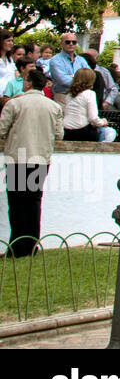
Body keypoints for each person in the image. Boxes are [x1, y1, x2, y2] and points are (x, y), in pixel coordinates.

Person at [0, 68, 62, 257]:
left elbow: (1, 130)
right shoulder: (54, 106)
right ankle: (31, 244)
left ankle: (17, 245)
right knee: (34, 201)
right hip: (41, 159)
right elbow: (59, 134)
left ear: (27, 83)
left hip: (18, 158)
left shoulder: (16, 104)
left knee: (18, 202)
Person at [60, 67, 116, 142]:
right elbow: (92, 118)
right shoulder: (90, 94)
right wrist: (103, 122)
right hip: (83, 131)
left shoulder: (69, 95)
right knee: (110, 132)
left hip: (66, 131)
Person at [47, 33, 88, 105]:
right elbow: (63, 80)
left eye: (74, 42)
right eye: (67, 42)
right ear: (61, 44)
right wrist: (80, 79)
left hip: (80, 97)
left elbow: (90, 77)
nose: (71, 44)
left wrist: (72, 76)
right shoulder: (55, 60)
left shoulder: (81, 60)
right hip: (63, 96)